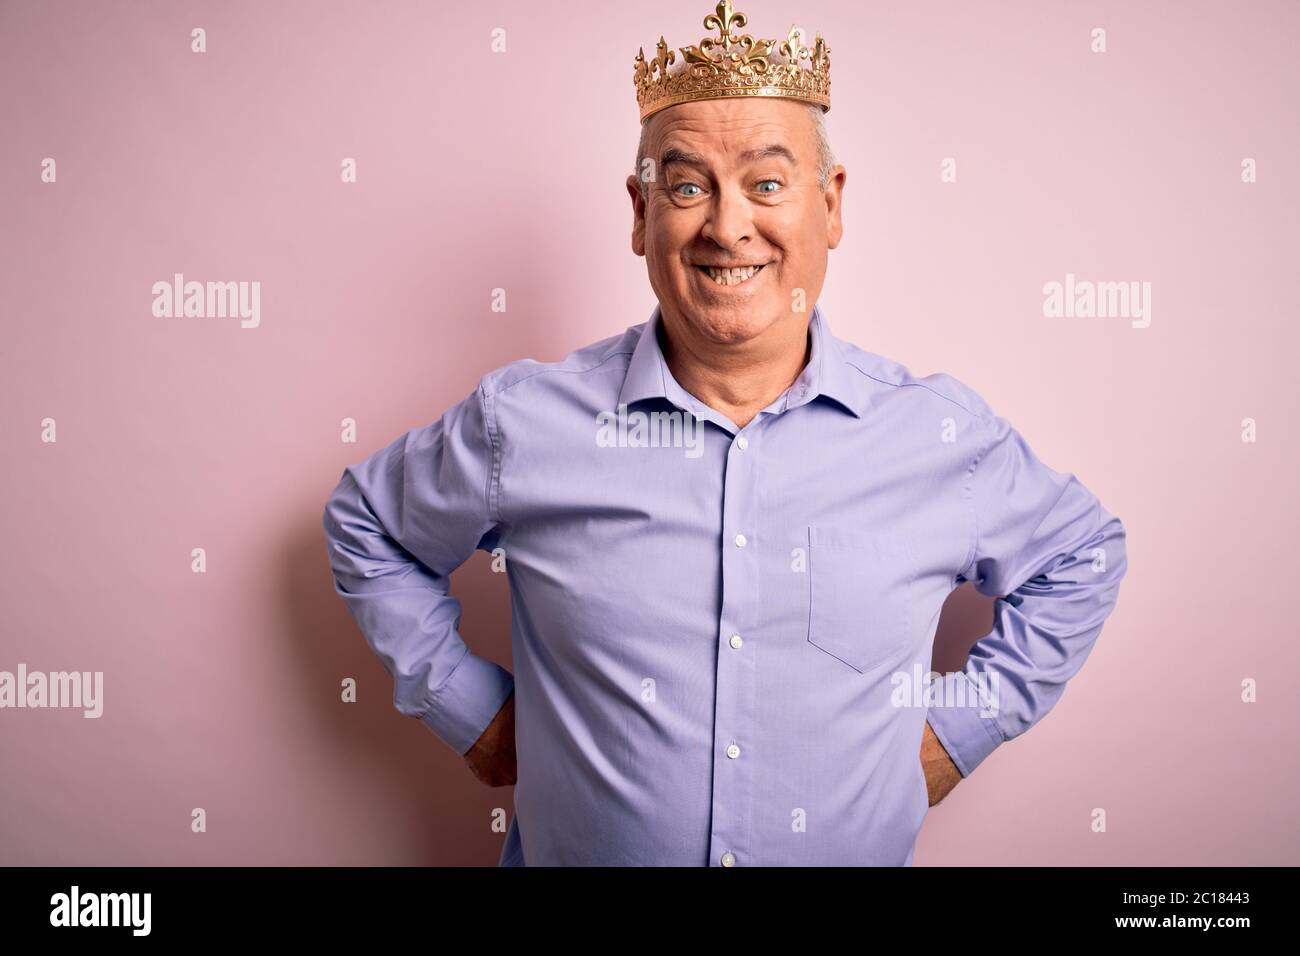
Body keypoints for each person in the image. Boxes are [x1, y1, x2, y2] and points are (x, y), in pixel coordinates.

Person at [321, 1, 1127, 866]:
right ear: (640, 213)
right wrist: (467, 709)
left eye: (768, 183)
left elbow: (1080, 556)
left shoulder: (935, 437)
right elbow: (366, 525)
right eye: (688, 184)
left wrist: (959, 731)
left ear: (832, 205)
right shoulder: (523, 423)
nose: (726, 227)